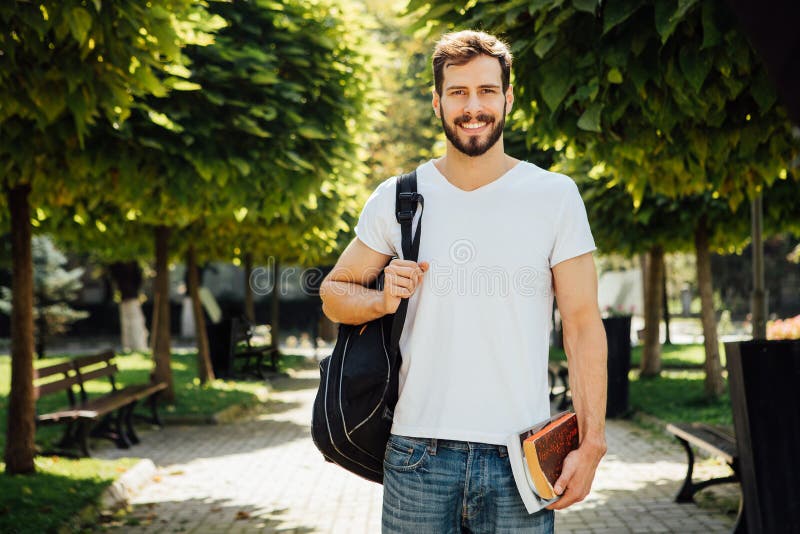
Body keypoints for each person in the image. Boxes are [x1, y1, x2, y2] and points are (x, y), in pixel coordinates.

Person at [320, 29, 607, 534]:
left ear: (508, 98)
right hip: (416, 455)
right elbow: (333, 295)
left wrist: (593, 441)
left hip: (522, 459)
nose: (473, 106)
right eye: (458, 93)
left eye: (486, 91)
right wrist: (381, 299)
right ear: (437, 102)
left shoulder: (554, 197)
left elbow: (583, 325)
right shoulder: (399, 197)